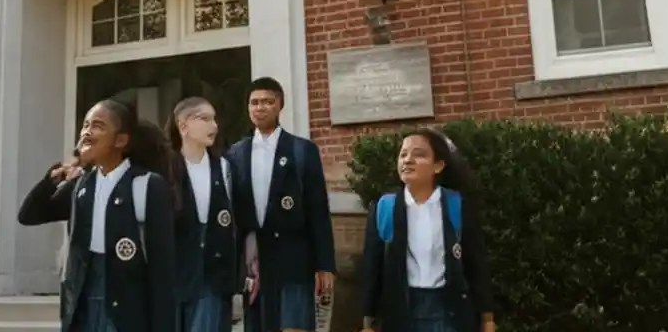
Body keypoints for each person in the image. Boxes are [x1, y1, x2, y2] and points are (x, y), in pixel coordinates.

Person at [18, 99, 176, 332]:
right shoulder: (81, 186)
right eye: (85, 125)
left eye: (98, 126)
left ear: (121, 140)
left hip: (127, 307)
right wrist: (51, 180)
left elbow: (162, 271)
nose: (87, 132)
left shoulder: (147, 186)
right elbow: (29, 215)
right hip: (83, 303)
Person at [357, 128, 495, 332]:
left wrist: (487, 318)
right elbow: (371, 268)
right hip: (402, 310)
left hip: (448, 310)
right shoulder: (384, 208)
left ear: (438, 166)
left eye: (419, 154)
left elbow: (476, 264)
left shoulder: (456, 205)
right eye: (403, 154)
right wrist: (367, 322)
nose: (408, 160)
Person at [227, 77, 335, 332]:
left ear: (279, 105)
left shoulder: (302, 150)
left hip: (294, 255)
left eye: (267, 101)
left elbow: (318, 209)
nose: (260, 107)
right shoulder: (235, 153)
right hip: (255, 259)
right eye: (254, 102)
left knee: (294, 325)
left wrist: (325, 265)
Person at [166, 97, 238, 332]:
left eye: (214, 119)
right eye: (205, 119)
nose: (214, 126)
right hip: (175, 275)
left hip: (214, 276)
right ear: (183, 126)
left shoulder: (225, 168)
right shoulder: (165, 169)